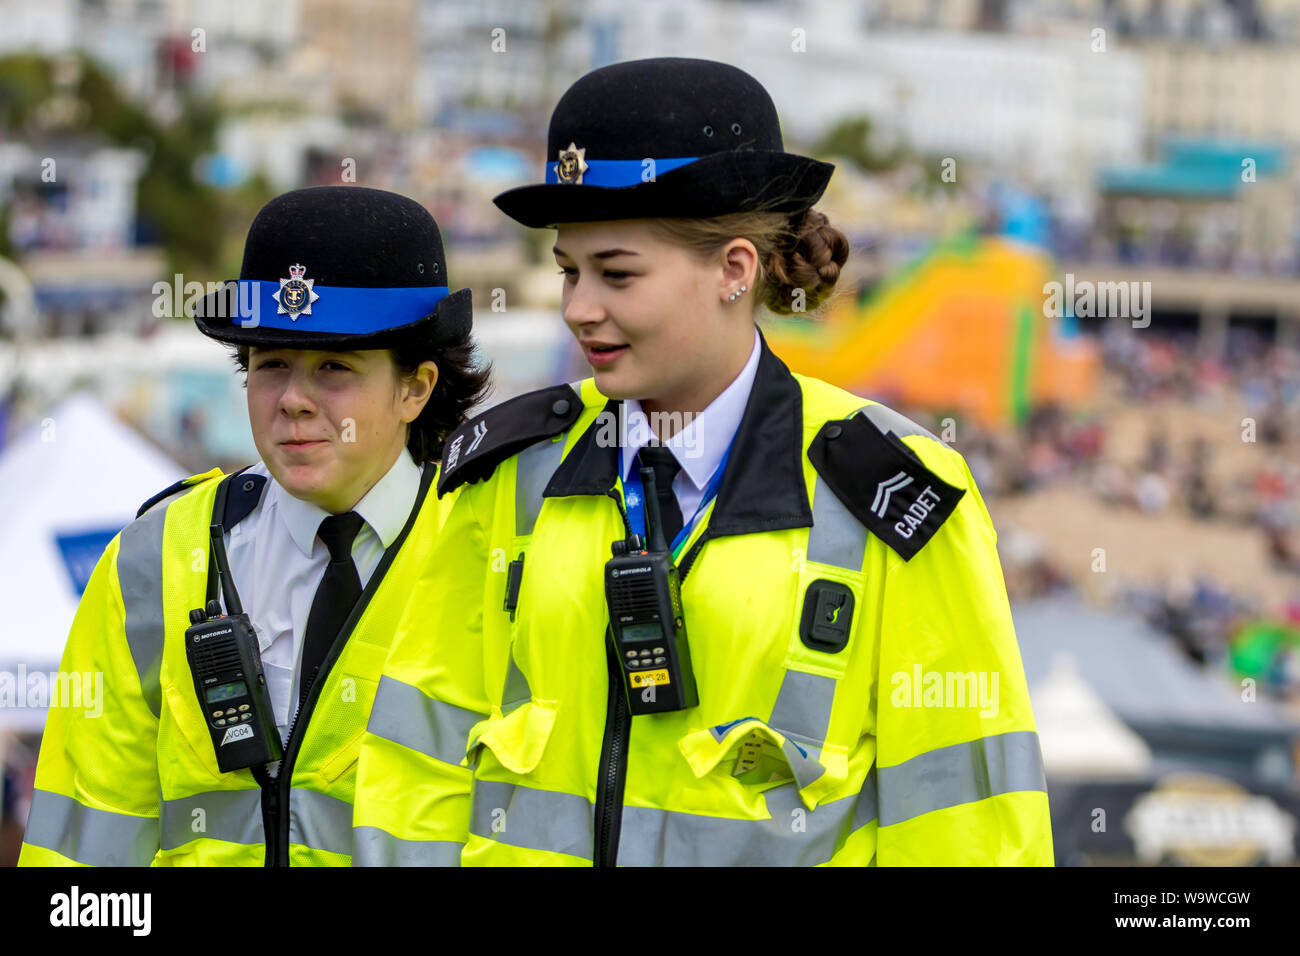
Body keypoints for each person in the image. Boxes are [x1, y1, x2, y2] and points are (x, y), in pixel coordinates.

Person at [353, 58, 1053, 865]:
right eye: (569, 271)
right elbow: (414, 764)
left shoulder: (894, 497)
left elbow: (966, 824)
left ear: (734, 270)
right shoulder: (505, 472)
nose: (580, 309)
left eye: (617, 274)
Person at [19, 186, 490, 866]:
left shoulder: (491, 555)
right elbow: (83, 846)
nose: (293, 402)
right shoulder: (151, 560)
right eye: (270, 366)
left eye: (333, 368)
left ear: (416, 388)